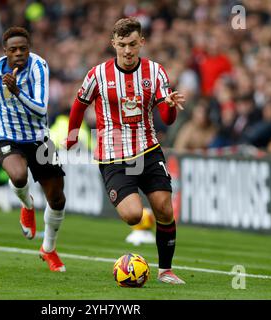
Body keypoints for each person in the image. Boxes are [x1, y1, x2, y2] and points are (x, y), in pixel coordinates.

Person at [65, 18, 186, 284]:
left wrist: (169, 105)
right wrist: (71, 139)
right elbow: (78, 105)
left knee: (164, 208)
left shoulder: (155, 72)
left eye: (132, 44)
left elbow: (167, 118)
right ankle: (140, 231)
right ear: (113, 44)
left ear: (141, 42)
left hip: (148, 148)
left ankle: (165, 270)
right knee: (133, 215)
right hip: (113, 155)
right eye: (122, 45)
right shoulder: (97, 74)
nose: (128, 51)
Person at [0, 27, 66, 272]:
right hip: (9, 137)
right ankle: (27, 206)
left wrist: (16, 91)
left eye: (23, 49)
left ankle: (48, 248)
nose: (19, 53)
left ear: (30, 48)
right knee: (18, 176)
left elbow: (40, 109)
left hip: (38, 139)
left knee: (57, 199)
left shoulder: (39, 67)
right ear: (5, 51)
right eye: (13, 50)